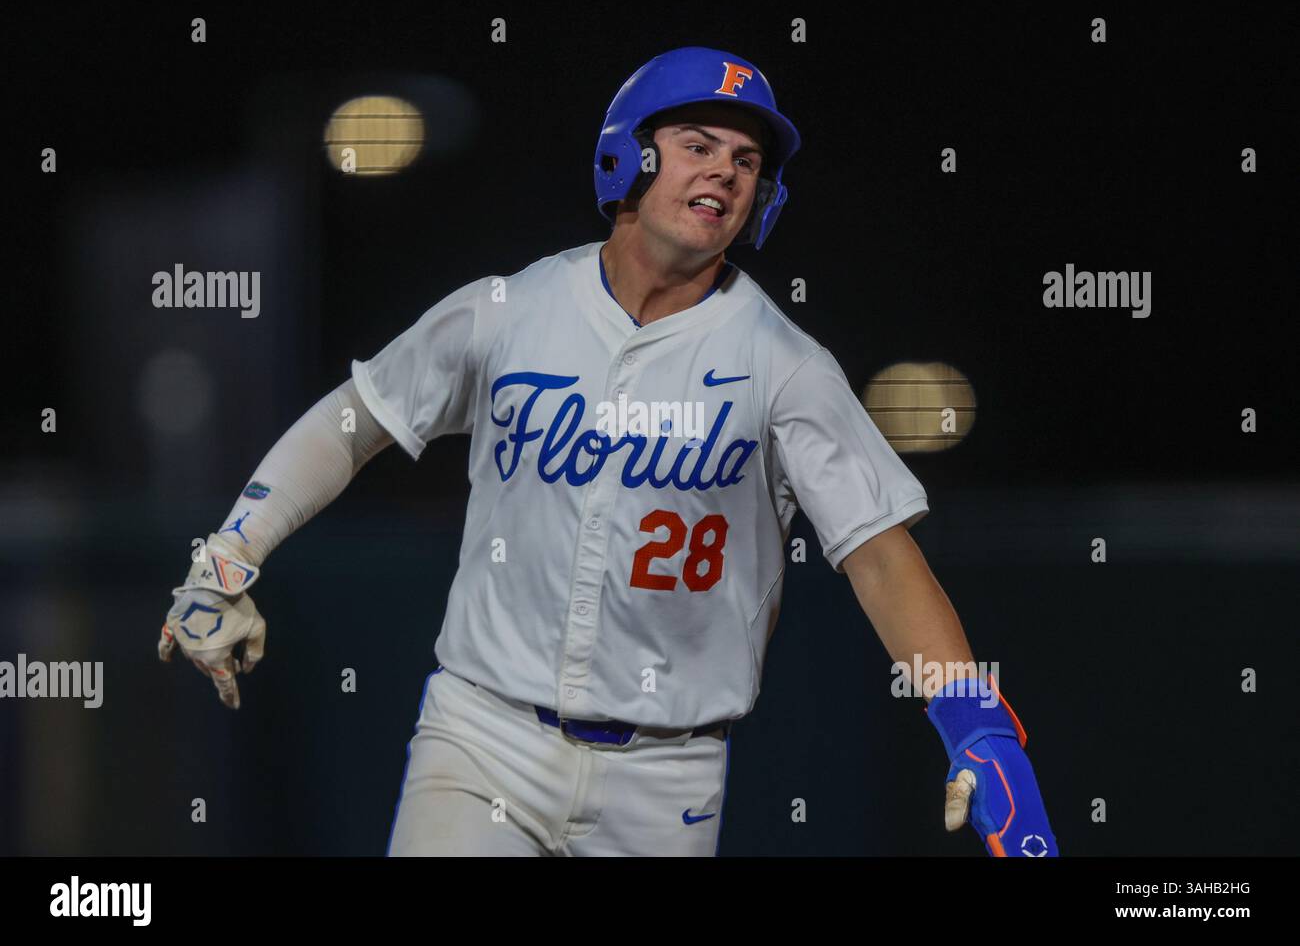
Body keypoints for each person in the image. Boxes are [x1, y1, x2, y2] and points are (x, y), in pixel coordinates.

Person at [157, 46, 1057, 857]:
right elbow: (354, 420)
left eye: (747, 161)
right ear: (630, 154)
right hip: (484, 738)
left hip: (668, 777)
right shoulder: (510, 311)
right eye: (700, 143)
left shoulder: (785, 367)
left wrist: (976, 723)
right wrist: (229, 555)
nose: (726, 172)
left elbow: (881, 559)